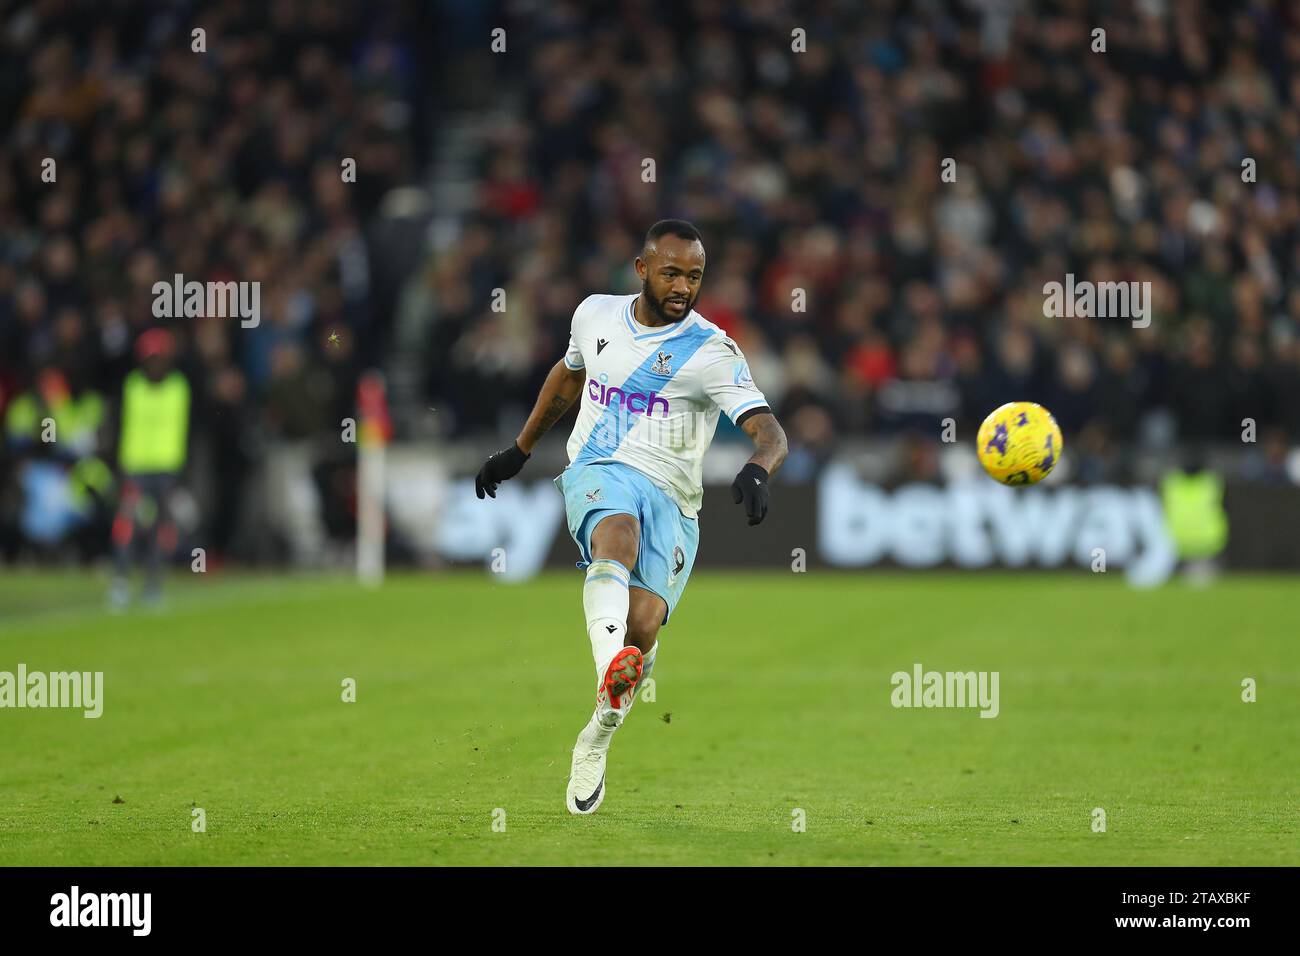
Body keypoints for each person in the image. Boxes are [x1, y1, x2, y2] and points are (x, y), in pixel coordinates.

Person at [475, 220, 788, 814]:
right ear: (642, 269)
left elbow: (769, 431)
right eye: (671, 273)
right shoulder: (594, 314)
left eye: (694, 277)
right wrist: (519, 450)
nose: (683, 287)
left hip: (674, 498)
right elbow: (567, 377)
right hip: (600, 468)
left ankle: (597, 733)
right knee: (614, 536)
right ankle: (607, 668)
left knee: (643, 627)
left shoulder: (713, 350)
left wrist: (757, 469)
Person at [110, 329, 191, 609]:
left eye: (159, 358)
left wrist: (183, 470)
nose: (155, 364)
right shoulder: (132, 385)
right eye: (150, 359)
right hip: (135, 466)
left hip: (167, 468)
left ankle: (154, 586)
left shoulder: (179, 387)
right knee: (126, 525)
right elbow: (120, 424)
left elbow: (185, 430)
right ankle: (120, 581)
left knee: (164, 528)